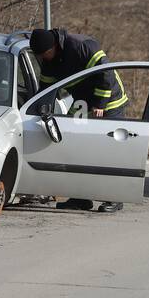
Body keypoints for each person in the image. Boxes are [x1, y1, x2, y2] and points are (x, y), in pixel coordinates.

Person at [29, 27, 129, 213]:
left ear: (53, 47)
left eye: (44, 54)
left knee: (107, 151)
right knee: (77, 146)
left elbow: (105, 73)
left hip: (109, 100)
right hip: (83, 101)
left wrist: (100, 104)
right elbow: (46, 90)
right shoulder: (49, 61)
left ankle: (114, 198)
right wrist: (36, 111)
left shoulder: (82, 46)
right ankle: (81, 197)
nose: (42, 59)